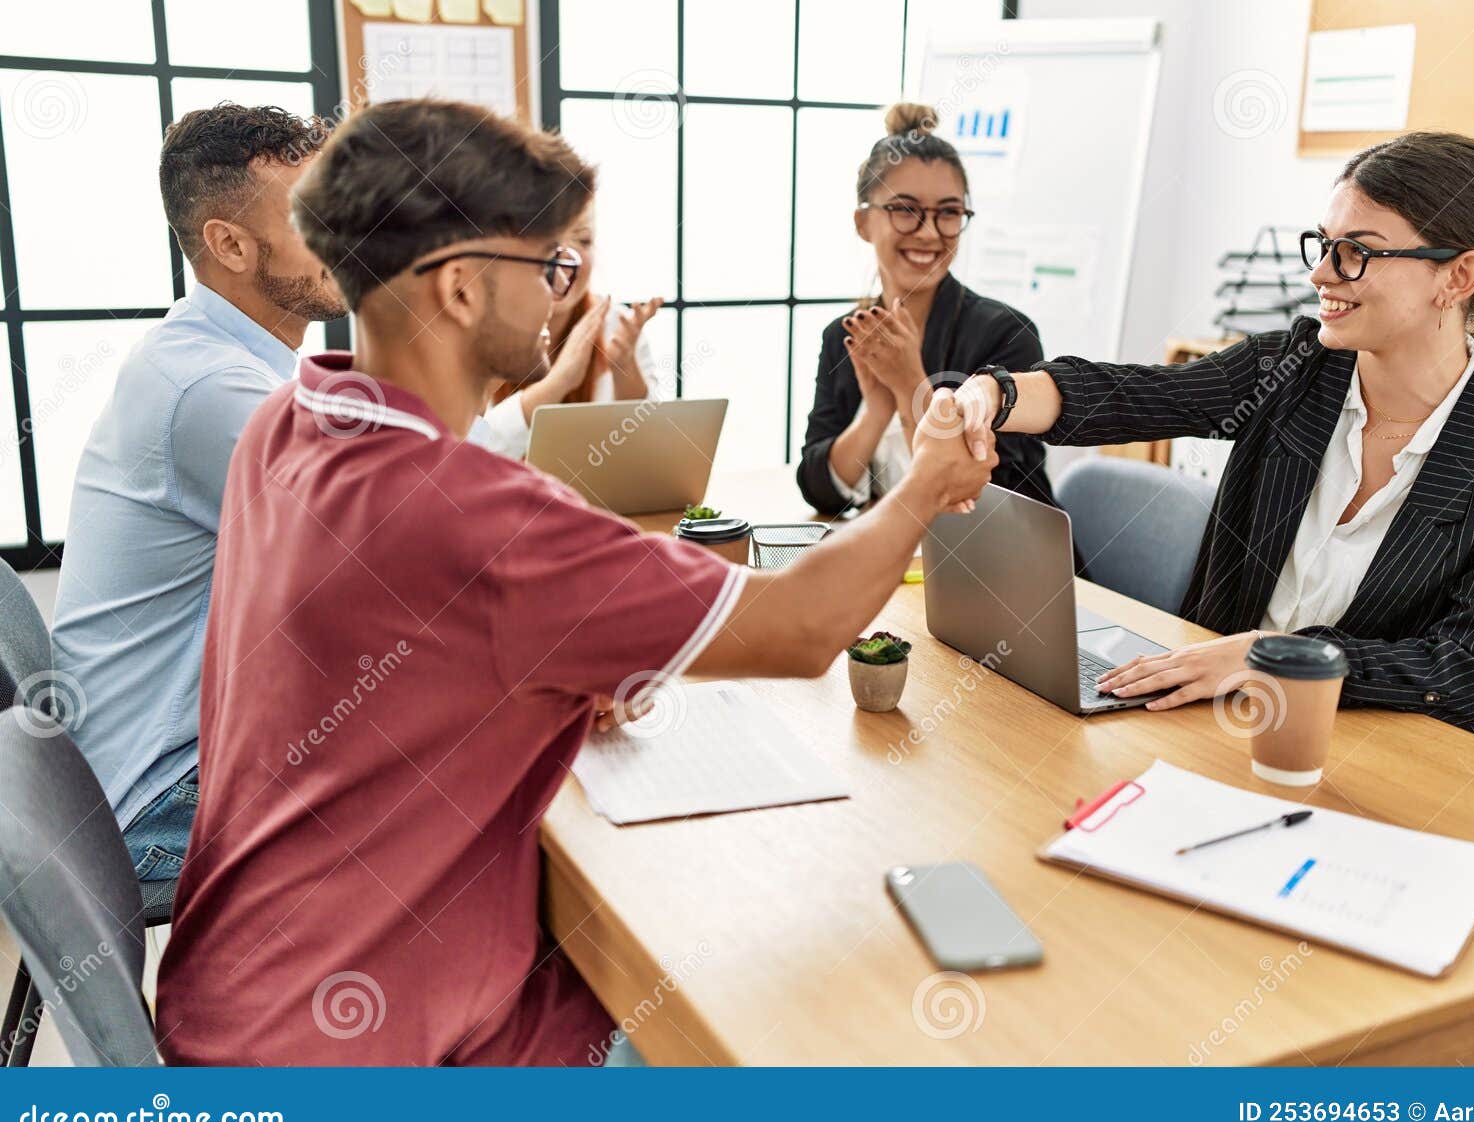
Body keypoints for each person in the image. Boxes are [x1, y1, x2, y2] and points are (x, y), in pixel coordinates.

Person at [155, 98, 994, 1067]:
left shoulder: (294, 418)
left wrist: (515, 684)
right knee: (801, 1024)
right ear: (463, 288)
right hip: (364, 1052)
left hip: (236, 992)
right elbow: (803, 628)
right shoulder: (474, 511)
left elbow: (373, 644)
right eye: (551, 264)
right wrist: (926, 484)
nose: (562, 292)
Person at [947, 131, 1474, 733]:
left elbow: (1466, 669)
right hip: (1202, 722)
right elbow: (1140, 393)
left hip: (1363, 755)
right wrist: (994, 394)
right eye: (1324, 243)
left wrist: (1270, 656)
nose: (1321, 275)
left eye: (1357, 252)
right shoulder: (1292, 368)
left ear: (1459, 276)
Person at [49, 104, 347, 896]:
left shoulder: (220, 357)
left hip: (159, 759)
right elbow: (387, 554)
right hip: (153, 803)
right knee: (469, 817)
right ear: (228, 244)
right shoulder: (212, 388)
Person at [796, 102, 1052, 515]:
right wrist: (876, 413)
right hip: (897, 562)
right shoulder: (844, 334)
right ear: (863, 223)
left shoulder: (1006, 334)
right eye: (906, 210)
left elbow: (987, 494)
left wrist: (909, 386)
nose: (930, 232)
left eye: (949, 213)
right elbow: (818, 488)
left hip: (1003, 565)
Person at [473, 199, 664, 458]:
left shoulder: (619, 326)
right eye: (552, 242)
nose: (565, 263)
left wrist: (626, 370)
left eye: (584, 241)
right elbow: (466, 453)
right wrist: (558, 383)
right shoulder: (479, 326)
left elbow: (649, 454)